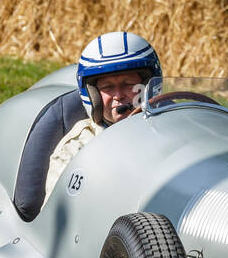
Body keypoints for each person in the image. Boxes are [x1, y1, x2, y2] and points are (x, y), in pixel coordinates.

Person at [43, 32, 162, 200]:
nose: (118, 95)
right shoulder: (75, 150)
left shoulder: (171, 129)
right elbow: (57, 218)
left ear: (147, 85)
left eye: (128, 84)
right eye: (108, 87)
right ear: (93, 95)